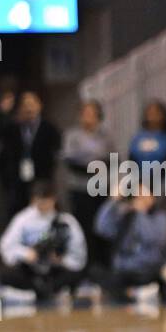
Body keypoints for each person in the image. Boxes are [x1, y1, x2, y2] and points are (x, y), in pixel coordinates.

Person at [0, 181, 86, 305]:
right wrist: (26, 253)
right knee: (7, 275)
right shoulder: (23, 219)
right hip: (31, 269)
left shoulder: (66, 221)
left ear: (53, 199)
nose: (42, 204)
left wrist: (61, 260)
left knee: (75, 276)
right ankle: (38, 290)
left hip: (55, 270)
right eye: (39, 200)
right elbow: (5, 245)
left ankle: (47, 290)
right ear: (33, 200)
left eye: (45, 200)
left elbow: (79, 254)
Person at [93, 185, 166, 305]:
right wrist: (112, 202)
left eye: (142, 195)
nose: (138, 198)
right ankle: (134, 292)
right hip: (123, 270)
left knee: (159, 276)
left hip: (145, 270)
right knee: (96, 273)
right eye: (136, 195)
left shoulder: (160, 217)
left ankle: (137, 292)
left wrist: (140, 213)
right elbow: (101, 228)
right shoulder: (125, 215)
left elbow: (150, 237)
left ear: (152, 197)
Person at [61, 99, 112, 265]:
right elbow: (70, 160)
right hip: (80, 187)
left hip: (100, 187)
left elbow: (112, 158)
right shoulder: (73, 135)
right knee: (83, 226)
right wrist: (91, 167)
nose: (88, 117)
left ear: (99, 116)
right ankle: (84, 263)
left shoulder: (105, 135)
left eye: (92, 113)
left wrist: (99, 166)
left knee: (101, 226)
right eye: (85, 113)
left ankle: (102, 263)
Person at [0, 90, 62, 218]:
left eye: (32, 104)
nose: (29, 108)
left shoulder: (49, 128)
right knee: (19, 215)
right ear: (20, 108)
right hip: (18, 181)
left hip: (42, 179)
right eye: (25, 105)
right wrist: (2, 112)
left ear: (39, 105)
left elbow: (56, 152)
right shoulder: (14, 127)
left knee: (43, 215)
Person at [129, 100, 166, 166]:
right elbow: (132, 158)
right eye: (150, 112)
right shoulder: (137, 138)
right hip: (140, 175)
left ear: (164, 115)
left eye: (156, 113)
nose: (152, 116)